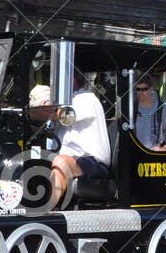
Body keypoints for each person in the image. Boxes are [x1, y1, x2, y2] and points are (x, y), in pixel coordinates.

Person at [31, 76, 111, 204]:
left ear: (71, 78)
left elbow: (61, 114)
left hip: (92, 162)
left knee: (61, 162)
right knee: (33, 159)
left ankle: (43, 210)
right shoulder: (65, 103)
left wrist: (37, 109)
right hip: (70, 160)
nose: (52, 82)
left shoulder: (86, 98)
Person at [132, 74, 166, 152]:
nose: (141, 92)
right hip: (136, 155)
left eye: (144, 89)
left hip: (154, 157)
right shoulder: (132, 109)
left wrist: (163, 149)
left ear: (151, 89)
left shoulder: (162, 109)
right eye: (138, 89)